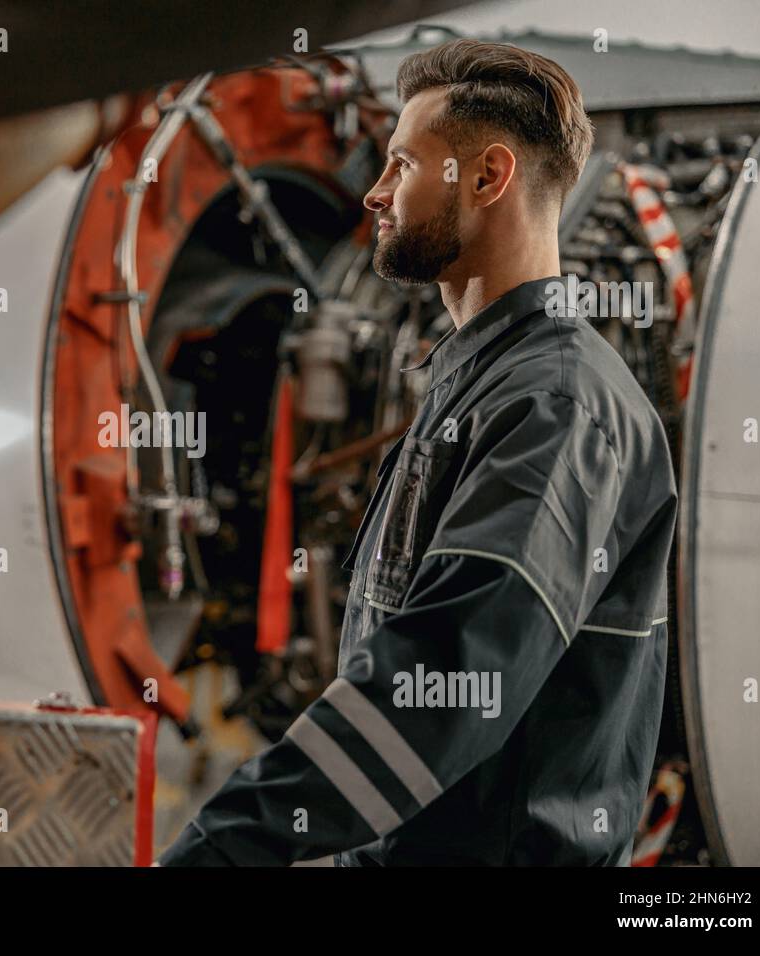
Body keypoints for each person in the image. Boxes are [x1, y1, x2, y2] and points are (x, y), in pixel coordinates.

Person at [159, 39, 678, 866]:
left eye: (402, 164)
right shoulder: (475, 383)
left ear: (486, 178)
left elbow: (443, 681)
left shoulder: (557, 403)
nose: (373, 191)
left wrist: (226, 846)